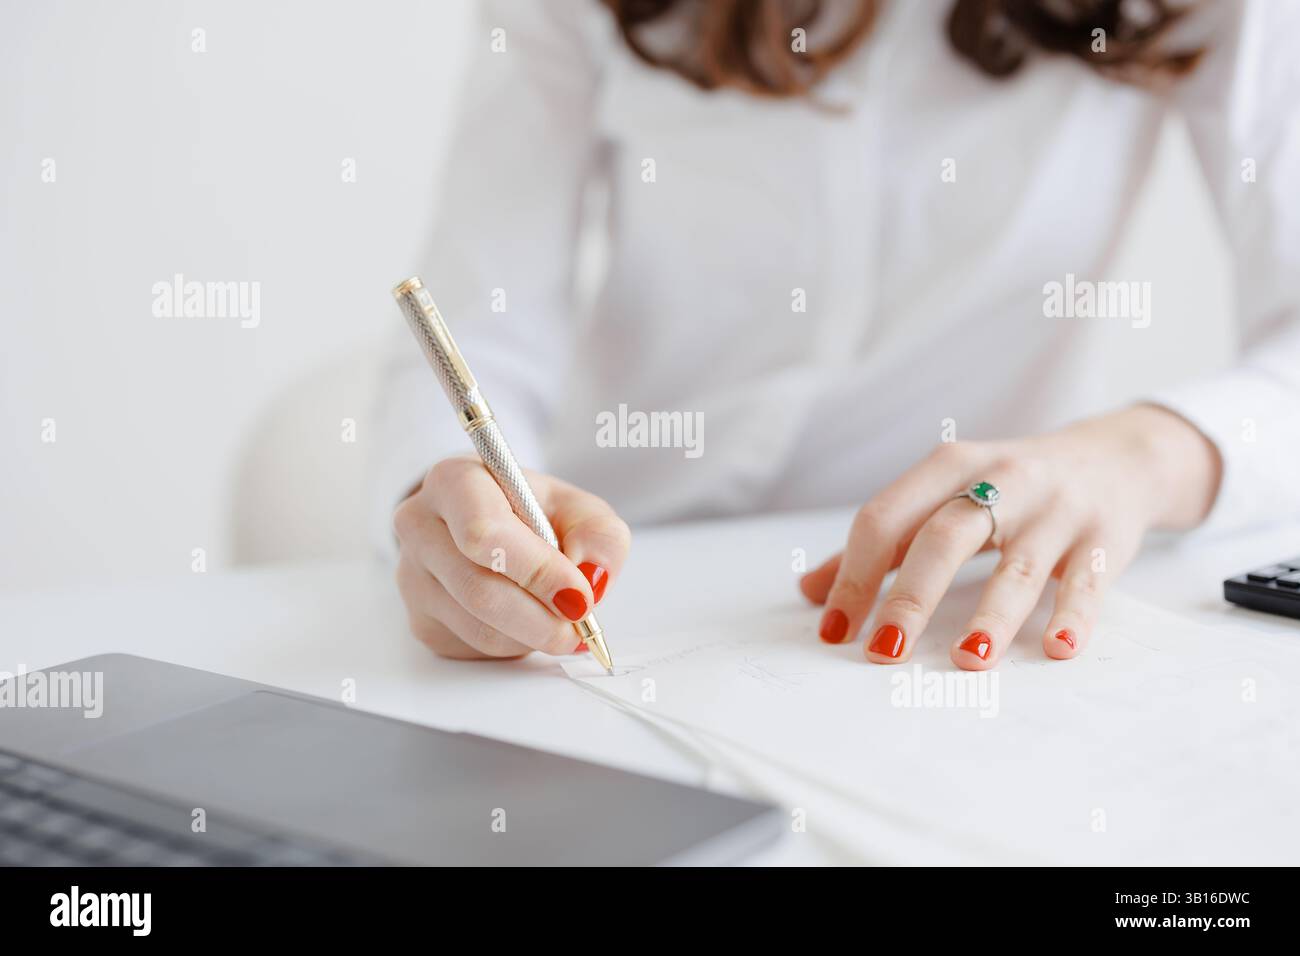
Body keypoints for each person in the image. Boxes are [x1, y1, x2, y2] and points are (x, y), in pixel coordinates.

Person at [375, 0, 1300, 671]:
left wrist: (1137, 457)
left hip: (964, 610)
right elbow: (474, 336)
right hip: (619, 575)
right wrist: (449, 505)